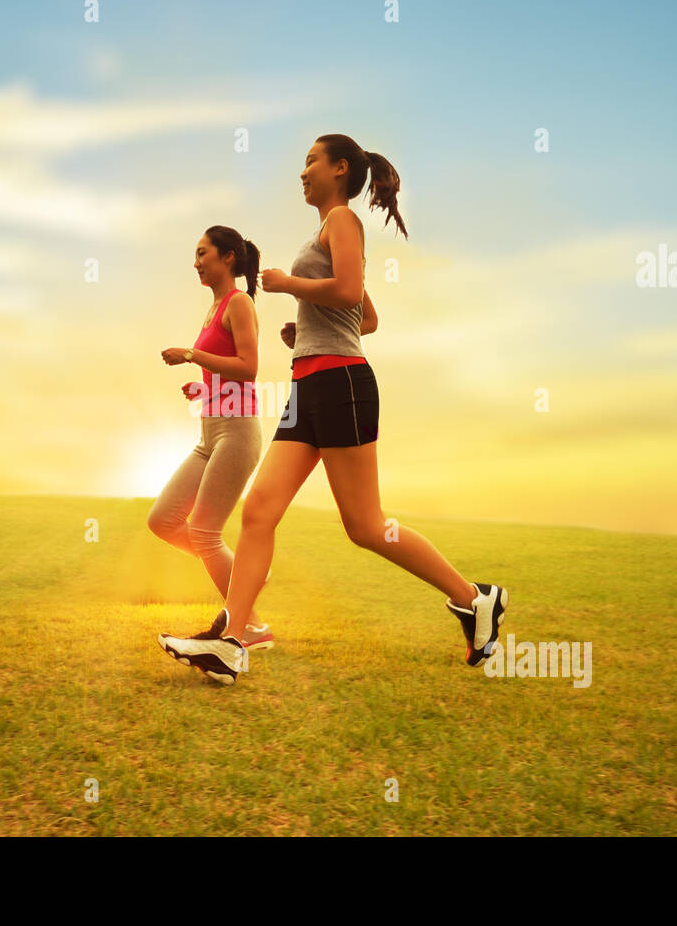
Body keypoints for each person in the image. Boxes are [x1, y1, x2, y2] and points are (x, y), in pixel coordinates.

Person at [157, 135, 508, 685]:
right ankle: (233, 642)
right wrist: (307, 328)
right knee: (258, 512)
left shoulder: (343, 221)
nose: (302, 172)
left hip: (342, 382)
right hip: (309, 383)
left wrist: (287, 285)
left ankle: (474, 597)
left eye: (311, 162)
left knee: (366, 526)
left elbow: (349, 292)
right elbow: (363, 316)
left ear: (340, 169)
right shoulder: (324, 231)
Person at [147, 226, 275, 655]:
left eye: (203, 253)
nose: (197, 262)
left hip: (238, 433)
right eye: (195, 255)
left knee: (204, 533)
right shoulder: (213, 308)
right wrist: (201, 388)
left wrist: (191, 355)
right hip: (210, 432)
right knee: (163, 520)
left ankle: (249, 625)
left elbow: (248, 367)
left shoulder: (239, 303)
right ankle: (245, 579)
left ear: (229, 258)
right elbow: (226, 375)